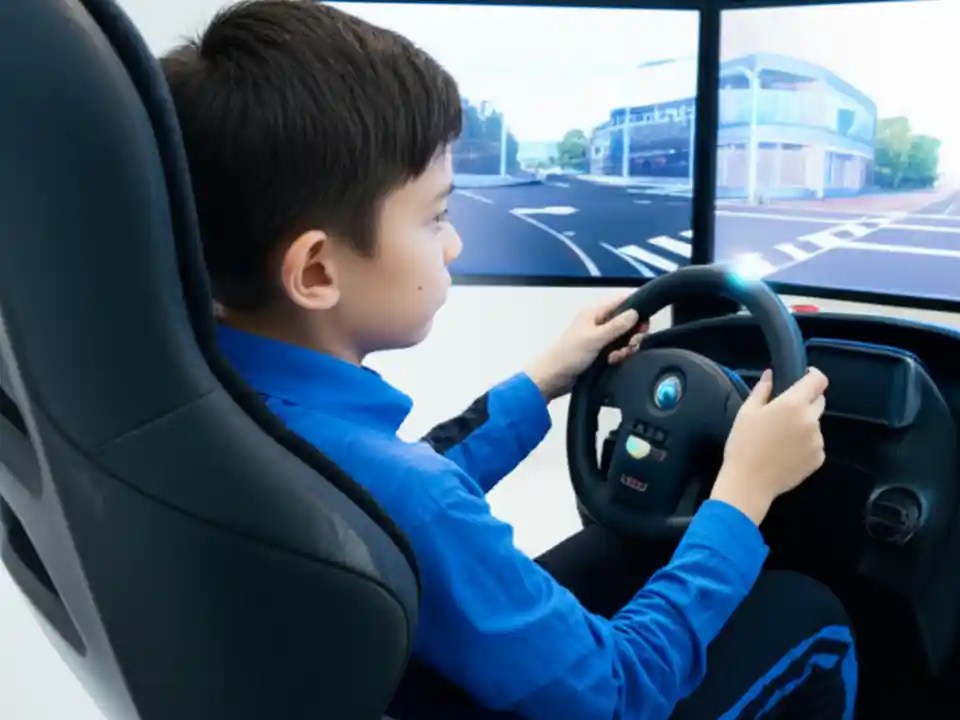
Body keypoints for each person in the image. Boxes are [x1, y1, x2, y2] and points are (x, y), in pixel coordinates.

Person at [161, 1, 857, 717]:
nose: (453, 245)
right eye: (435, 217)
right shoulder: (412, 496)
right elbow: (619, 695)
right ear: (315, 273)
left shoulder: (220, 403)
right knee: (811, 612)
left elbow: (382, 517)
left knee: (617, 553)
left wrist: (543, 381)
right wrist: (743, 491)